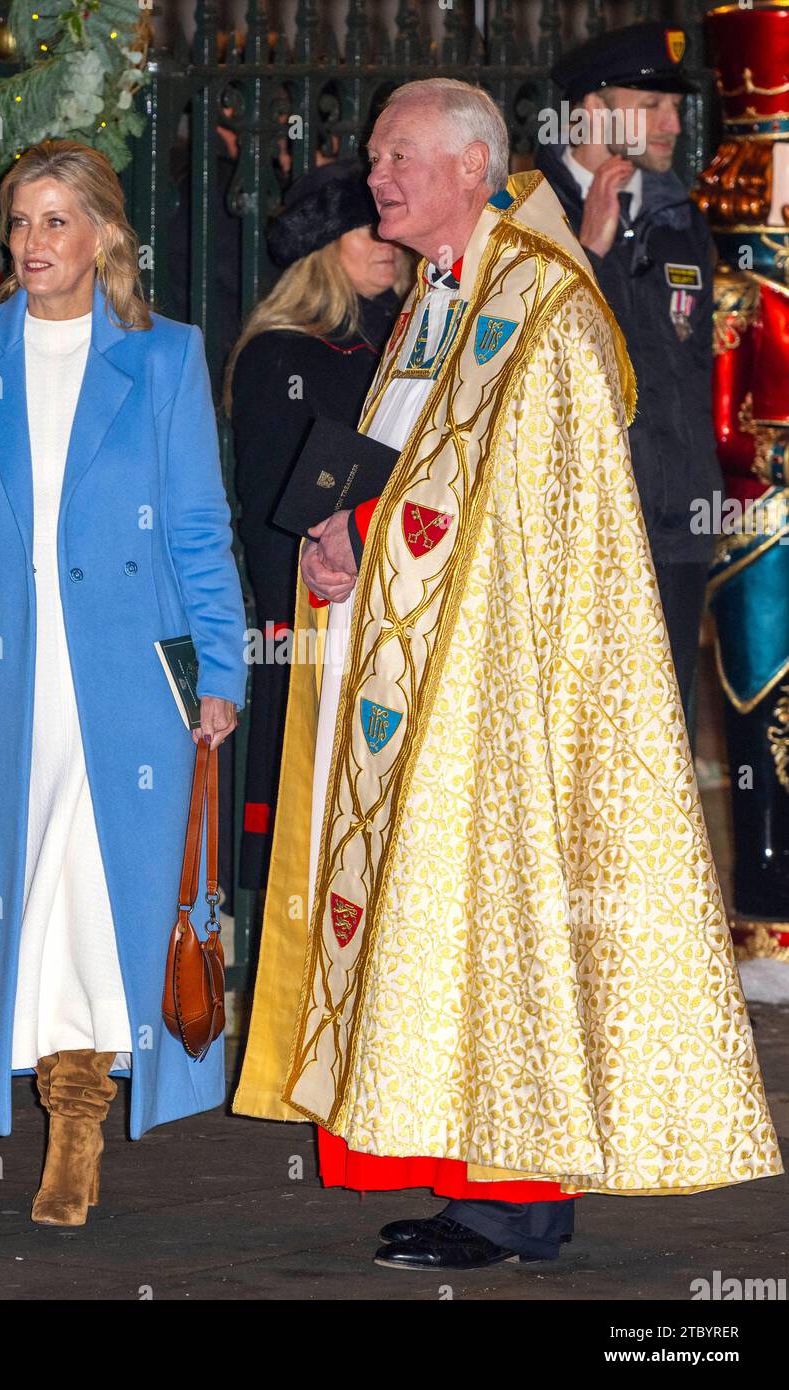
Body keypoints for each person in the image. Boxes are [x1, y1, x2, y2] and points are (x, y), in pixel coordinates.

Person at [232, 77, 782, 1273]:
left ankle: (508, 1198)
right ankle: (472, 1177)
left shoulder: (542, 304)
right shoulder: (442, 294)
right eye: (376, 158)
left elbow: (536, 509)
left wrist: (381, 536)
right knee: (451, 923)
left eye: (398, 159)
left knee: (501, 917)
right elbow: (408, 459)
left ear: (473, 168)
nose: (375, 178)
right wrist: (338, 529)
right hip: (421, 668)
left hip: (501, 681)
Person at [0, 140, 247, 1228]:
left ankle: (80, 1119)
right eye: (18, 223)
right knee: (26, 888)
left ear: (103, 234)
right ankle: (53, 1090)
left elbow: (196, 521)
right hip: (1, 679)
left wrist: (221, 663)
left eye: (56, 221)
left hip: (129, 674)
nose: (33, 244)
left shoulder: (164, 355)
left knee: (104, 892)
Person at [225, 158, 408, 889]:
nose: (387, 238)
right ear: (323, 244)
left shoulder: (410, 343)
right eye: (368, 225)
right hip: (319, 622)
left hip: (399, 612)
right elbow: (272, 514)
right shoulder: (280, 353)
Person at [535, 22, 722, 730]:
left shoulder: (679, 217)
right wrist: (589, 249)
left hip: (676, 518)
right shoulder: (527, 212)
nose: (673, 123)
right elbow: (530, 363)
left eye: (672, 106)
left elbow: (692, 360)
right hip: (582, 527)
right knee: (578, 731)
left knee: (659, 732)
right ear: (590, 109)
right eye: (649, 105)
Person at [695, 0, 789, 995]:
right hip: (758, 526)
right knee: (761, 719)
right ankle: (767, 918)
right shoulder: (728, 289)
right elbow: (717, 426)